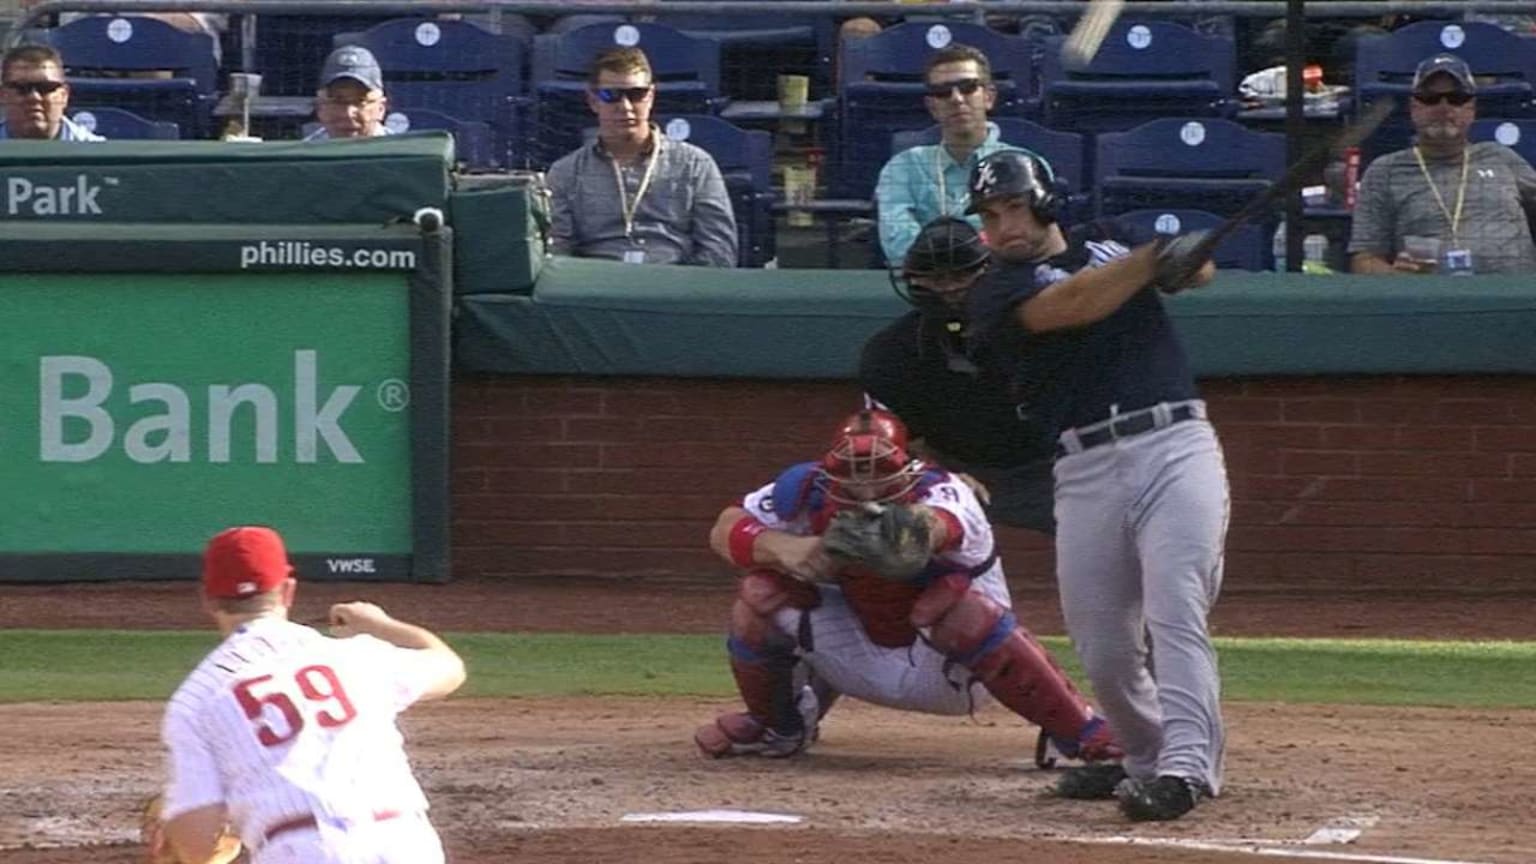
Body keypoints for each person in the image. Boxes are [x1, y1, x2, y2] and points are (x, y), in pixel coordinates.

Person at [954, 149, 1226, 821]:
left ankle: (1187, 768)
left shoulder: (1113, 235)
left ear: (1044, 200)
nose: (1003, 227)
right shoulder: (995, 292)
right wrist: (1151, 260)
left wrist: (1183, 257)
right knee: (1102, 641)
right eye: (990, 216)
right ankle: (1142, 754)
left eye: (1013, 207)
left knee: (1174, 609)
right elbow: (1071, 305)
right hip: (1083, 467)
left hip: (1175, 444)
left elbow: (1199, 274)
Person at [693, 408, 1122, 769]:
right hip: (860, 640)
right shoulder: (806, 488)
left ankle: (1080, 733)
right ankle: (779, 727)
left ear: (907, 465)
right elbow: (724, 529)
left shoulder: (946, 491)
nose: (866, 487)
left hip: (950, 670)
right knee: (761, 594)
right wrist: (787, 548)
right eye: (852, 474)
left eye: (880, 473)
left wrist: (900, 537)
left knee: (958, 609)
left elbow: (936, 528)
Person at [151, 526, 466, 864]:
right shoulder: (359, 656)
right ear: (287, 590)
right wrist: (379, 623)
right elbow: (450, 668)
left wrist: (189, 838)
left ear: (208, 600)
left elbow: (198, 842)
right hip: (406, 843)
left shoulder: (195, 700)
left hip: (302, 850)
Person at [861, 216, 1058, 535]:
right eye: (936, 278)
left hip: (1051, 469)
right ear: (914, 280)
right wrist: (938, 477)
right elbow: (890, 446)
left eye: (961, 275)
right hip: (955, 473)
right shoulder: (891, 353)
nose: (950, 288)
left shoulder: (1040, 323)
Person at [545, 46, 738, 266]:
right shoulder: (565, 172)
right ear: (593, 101)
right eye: (611, 96)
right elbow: (556, 252)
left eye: (636, 95)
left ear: (651, 96)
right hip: (596, 287)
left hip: (675, 286)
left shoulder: (695, 164)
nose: (625, 107)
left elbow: (719, 250)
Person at [1349, 53, 1536, 275]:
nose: (1443, 107)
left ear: (1471, 108)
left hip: (1516, 297)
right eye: (1430, 98)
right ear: (1414, 107)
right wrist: (1396, 277)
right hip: (1433, 301)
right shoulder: (1385, 170)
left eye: (1456, 98)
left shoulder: (1501, 157)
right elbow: (1363, 260)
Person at [875, 44, 1041, 266]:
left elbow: (1026, 242)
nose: (956, 99)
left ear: (989, 97)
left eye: (968, 87)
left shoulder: (1026, 164)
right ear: (932, 106)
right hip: (927, 286)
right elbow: (897, 245)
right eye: (943, 92)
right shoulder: (902, 168)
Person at [0, 44, 104, 141]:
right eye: (22, 88)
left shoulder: (100, 156)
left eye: (46, 87)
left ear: (64, 96)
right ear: (2, 95)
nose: (34, 97)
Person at [304, 46, 392, 141]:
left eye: (360, 101)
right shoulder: (302, 153)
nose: (348, 114)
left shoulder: (403, 153)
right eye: (337, 102)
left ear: (381, 108)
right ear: (320, 107)